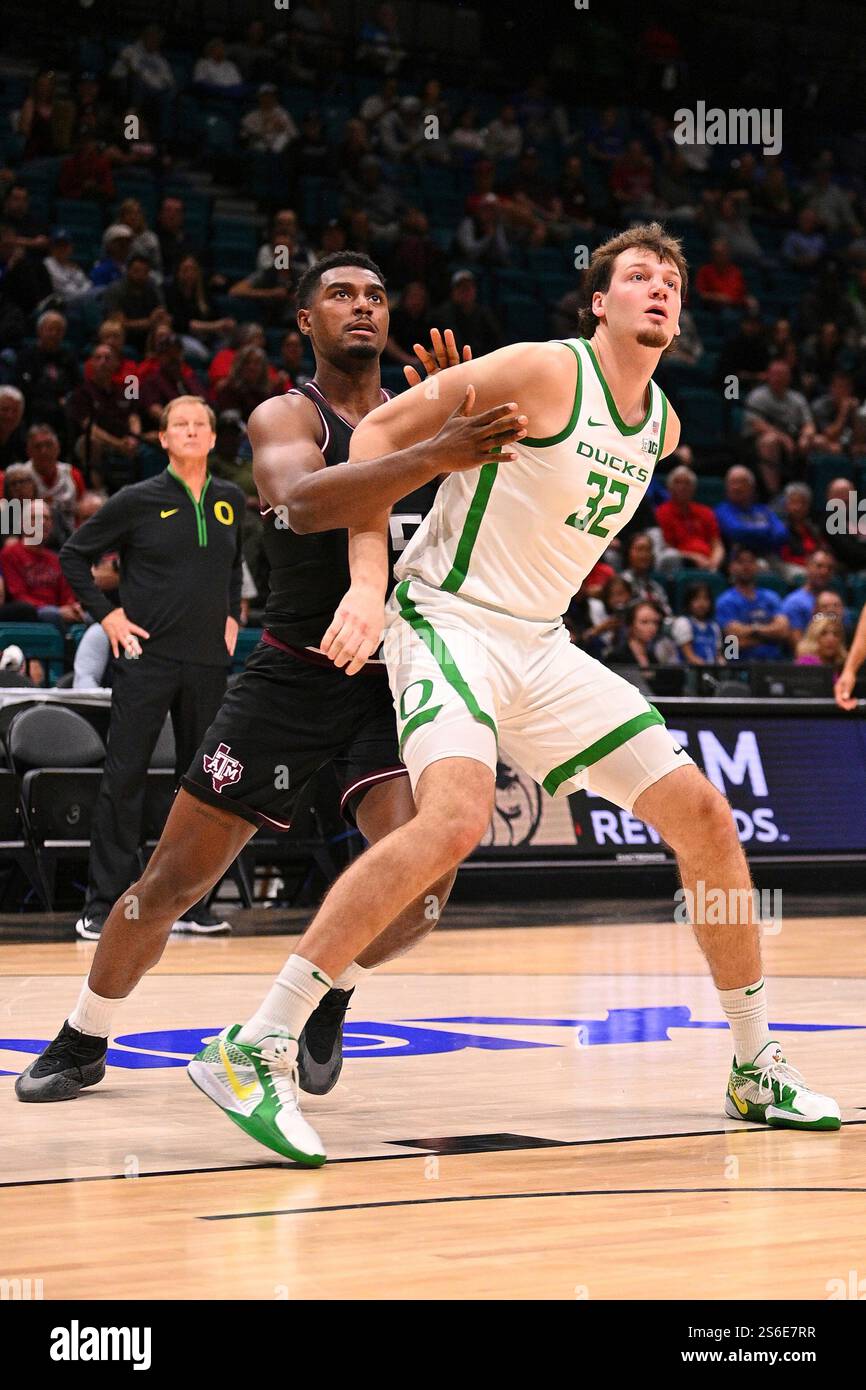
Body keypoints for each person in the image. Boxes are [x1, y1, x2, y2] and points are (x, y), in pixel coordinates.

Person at [185, 224, 839, 1163]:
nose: (660, 290)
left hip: (540, 641)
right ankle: (257, 1043)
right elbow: (375, 434)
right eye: (639, 278)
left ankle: (755, 1063)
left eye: (673, 281)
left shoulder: (665, 424)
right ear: (600, 301)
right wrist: (369, 584)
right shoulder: (539, 369)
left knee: (705, 816)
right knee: (451, 824)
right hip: (448, 614)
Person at [14, 254, 521, 1129]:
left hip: (398, 675)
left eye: (375, 294)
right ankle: (84, 1033)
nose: (362, 306)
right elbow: (300, 504)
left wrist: (464, 443)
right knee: (170, 883)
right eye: (340, 295)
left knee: (427, 889)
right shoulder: (285, 414)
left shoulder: (425, 412)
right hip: (295, 672)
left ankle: (327, 990)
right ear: (304, 321)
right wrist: (435, 450)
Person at [55, 395, 246, 941]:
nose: (189, 431)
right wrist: (109, 617)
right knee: (126, 777)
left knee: (205, 789)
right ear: (162, 439)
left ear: (213, 439)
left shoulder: (231, 499)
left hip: (209, 661)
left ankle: (193, 905)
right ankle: (103, 906)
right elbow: (74, 555)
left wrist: (233, 615)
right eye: (178, 424)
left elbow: (234, 568)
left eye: (199, 424)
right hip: (145, 659)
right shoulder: (137, 500)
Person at [715, 545, 790, 662]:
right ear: (731, 567)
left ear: (757, 566)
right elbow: (732, 643)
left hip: (774, 664)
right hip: (739, 667)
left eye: (751, 561)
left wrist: (750, 632)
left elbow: (783, 631)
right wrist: (770, 637)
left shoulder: (771, 597)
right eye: (741, 562)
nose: (746, 566)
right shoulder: (725, 601)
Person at [654, 463, 725, 574]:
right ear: (669, 487)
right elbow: (667, 548)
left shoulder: (705, 512)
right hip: (681, 562)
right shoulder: (662, 512)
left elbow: (717, 544)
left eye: (687, 483)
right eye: (677, 482)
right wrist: (694, 558)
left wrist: (714, 561)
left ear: (693, 488)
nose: (682, 487)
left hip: (708, 563)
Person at [780, 549, 837, 647]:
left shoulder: (835, 602)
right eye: (819, 566)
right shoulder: (794, 602)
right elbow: (798, 647)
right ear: (808, 567)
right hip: (809, 661)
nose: (824, 571)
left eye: (829, 568)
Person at [670, 582, 724, 665]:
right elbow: (689, 656)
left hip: (711, 672)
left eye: (705, 599)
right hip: (690, 673)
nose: (701, 604)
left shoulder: (714, 627)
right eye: (696, 599)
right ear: (688, 602)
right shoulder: (683, 623)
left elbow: (718, 655)